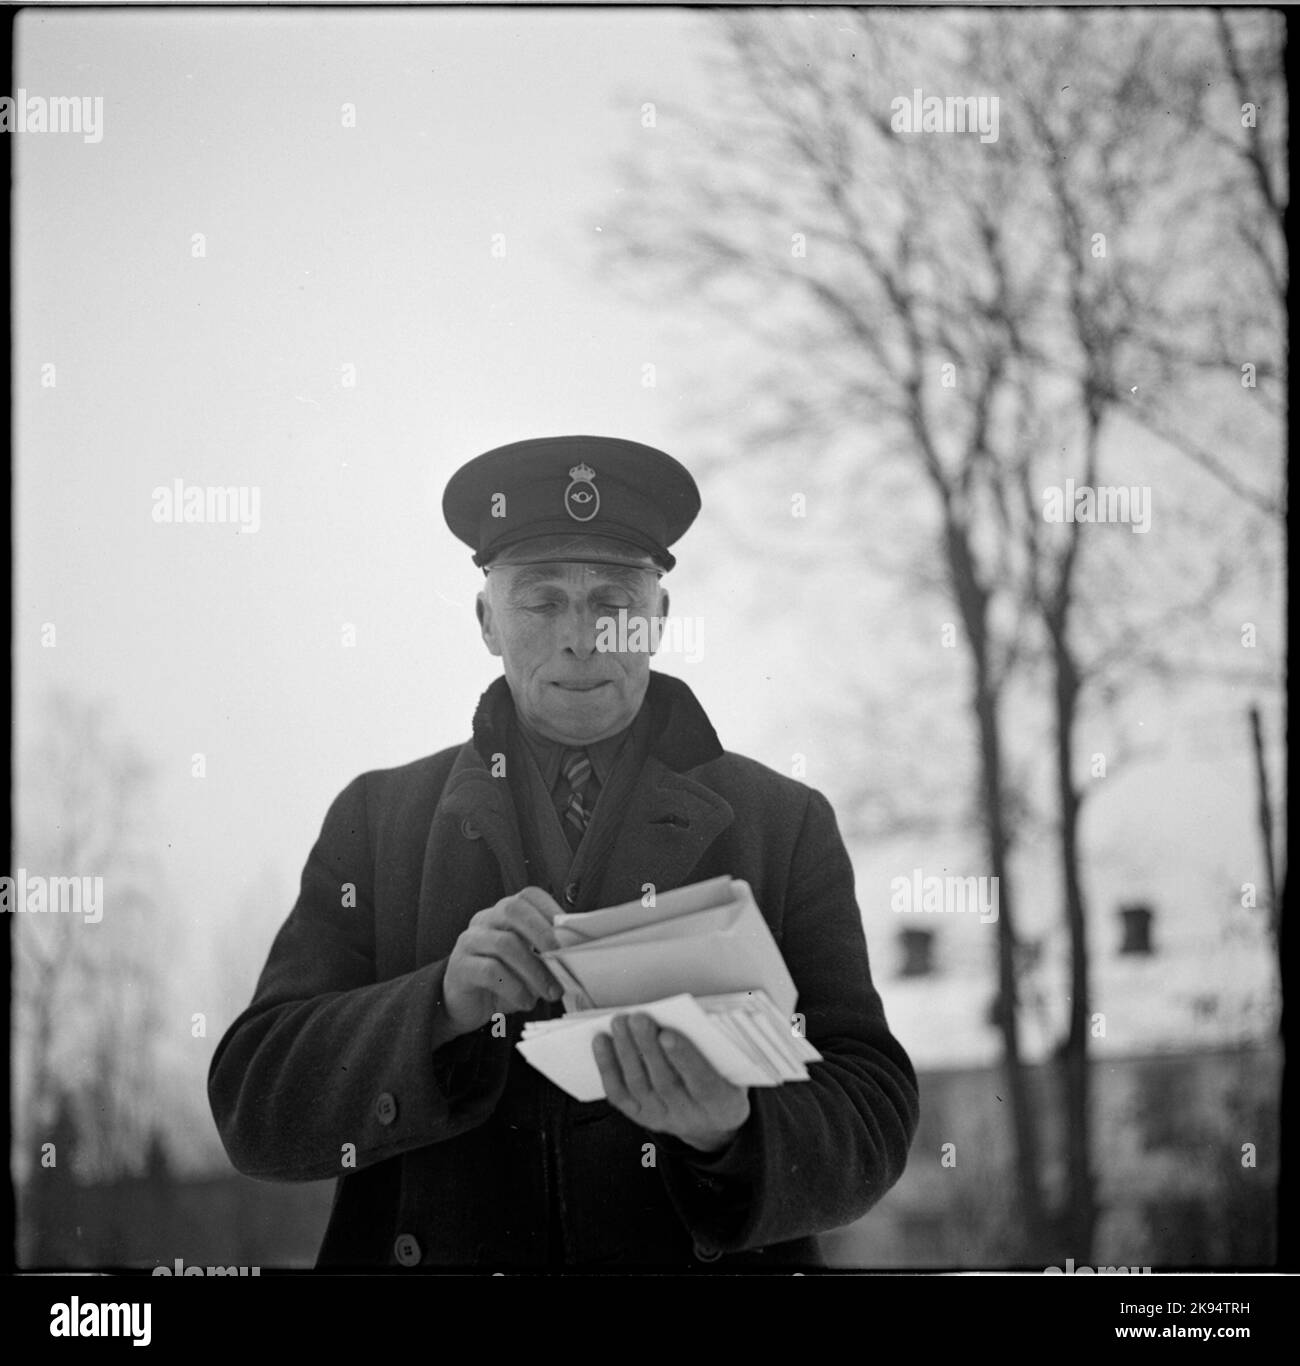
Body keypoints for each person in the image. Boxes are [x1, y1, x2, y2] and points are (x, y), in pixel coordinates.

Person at [208, 434, 918, 1270]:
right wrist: (438, 1004)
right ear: (487, 621)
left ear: (659, 619)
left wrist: (732, 1130)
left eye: (614, 600)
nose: (582, 638)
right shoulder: (376, 822)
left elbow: (873, 1111)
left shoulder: (783, 822)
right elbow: (255, 1111)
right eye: (542, 602)